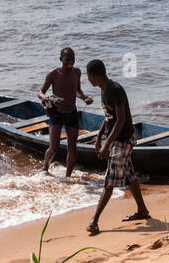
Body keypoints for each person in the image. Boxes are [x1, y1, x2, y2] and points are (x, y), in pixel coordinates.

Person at [85, 58, 150, 234]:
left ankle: (94, 220)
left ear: (93, 76)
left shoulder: (115, 90)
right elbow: (109, 117)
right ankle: (142, 210)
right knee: (130, 174)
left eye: (88, 76)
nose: (88, 80)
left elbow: (121, 120)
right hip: (114, 139)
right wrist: (99, 137)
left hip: (123, 140)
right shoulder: (103, 90)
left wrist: (107, 145)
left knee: (110, 179)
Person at [38, 47, 93, 176]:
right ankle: (45, 166)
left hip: (71, 113)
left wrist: (84, 98)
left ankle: (68, 176)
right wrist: (45, 98)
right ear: (61, 59)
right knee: (54, 147)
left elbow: (77, 90)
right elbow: (41, 92)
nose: (70, 62)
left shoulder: (77, 72)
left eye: (72, 59)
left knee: (72, 148)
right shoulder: (54, 74)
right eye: (67, 59)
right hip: (56, 113)